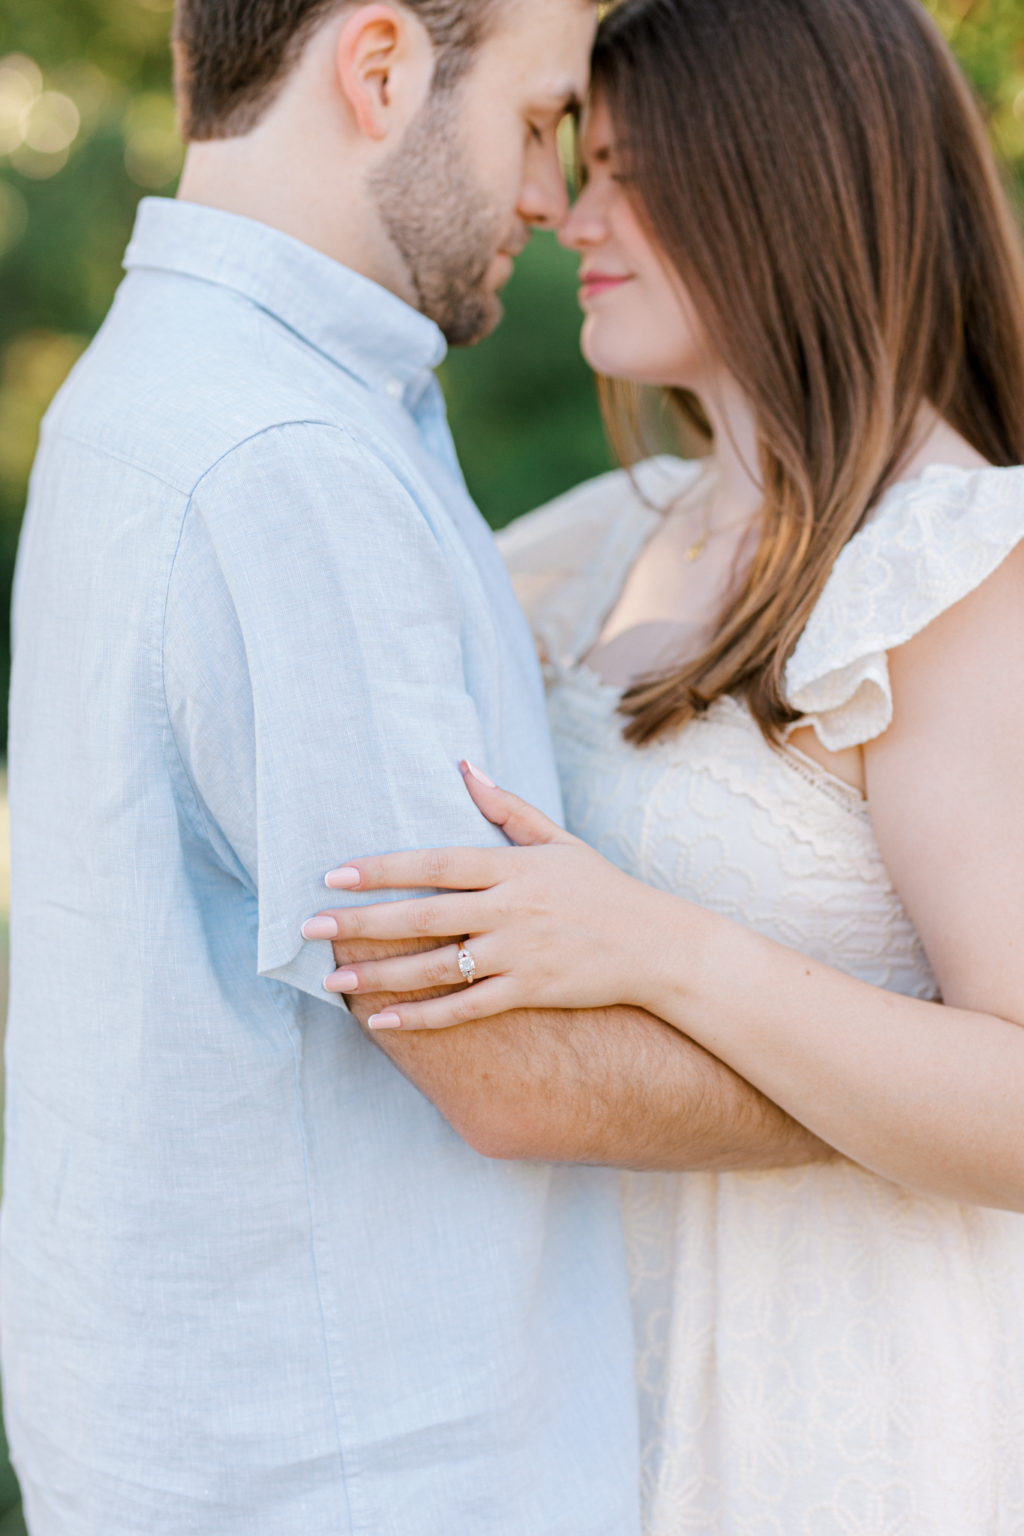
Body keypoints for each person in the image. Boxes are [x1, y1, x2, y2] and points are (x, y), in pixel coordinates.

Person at [2, 0, 836, 1531]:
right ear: (380, 69)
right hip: (361, 1475)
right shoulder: (285, 454)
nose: (551, 195)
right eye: (538, 122)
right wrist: (907, 1089)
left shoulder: (173, 390)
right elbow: (505, 1069)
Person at [308, 0, 1024, 1528]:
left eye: (631, 176)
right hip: (586, 1399)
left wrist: (664, 952)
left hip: (844, 1420)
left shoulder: (960, 568)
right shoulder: (605, 533)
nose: (573, 219)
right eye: (583, 168)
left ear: (786, 182)